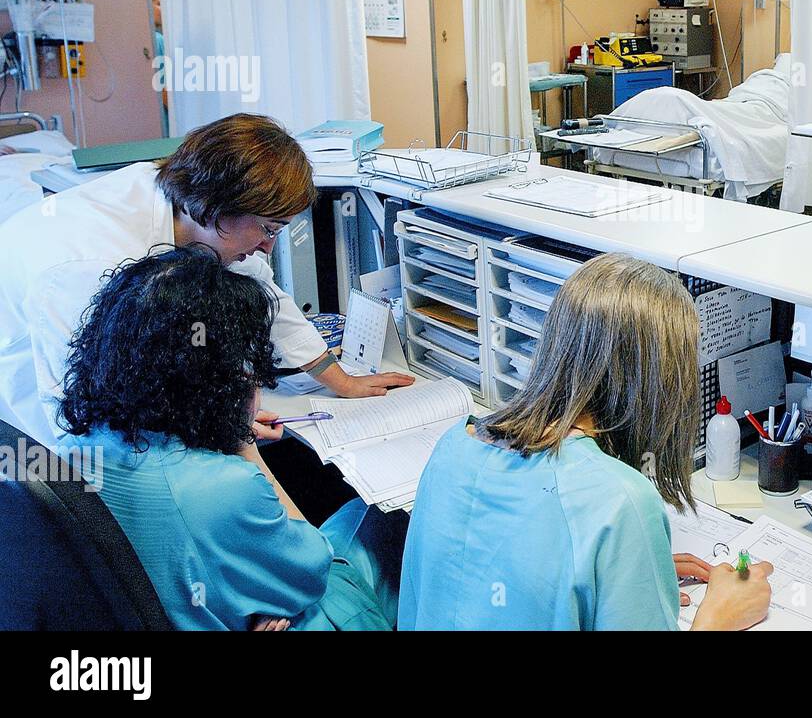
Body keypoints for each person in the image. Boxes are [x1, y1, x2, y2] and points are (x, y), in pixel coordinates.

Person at [399, 253, 773, 630]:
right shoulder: (621, 500)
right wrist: (719, 617)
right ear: (662, 384)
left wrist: (626, 572)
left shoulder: (453, 446)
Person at [0, 113, 412, 445]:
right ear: (216, 213)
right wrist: (216, 428)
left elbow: (265, 292)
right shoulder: (88, 267)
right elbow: (76, 407)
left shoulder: (196, 211)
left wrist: (341, 381)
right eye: (268, 230)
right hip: (37, 398)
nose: (269, 247)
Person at [58, 246, 406, 630]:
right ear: (220, 377)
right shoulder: (226, 488)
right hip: (284, 596)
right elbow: (314, 571)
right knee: (381, 518)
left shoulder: (74, 449)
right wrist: (244, 444)